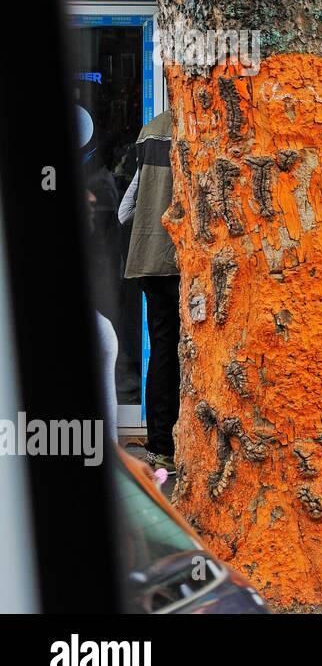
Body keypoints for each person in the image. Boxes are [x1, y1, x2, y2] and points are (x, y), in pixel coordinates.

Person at [119, 110, 180, 473]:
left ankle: (161, 447)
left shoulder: (152, 129)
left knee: (162, 350)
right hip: (180, 260)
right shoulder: (205, 123)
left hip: (148, 257)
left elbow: (126, 209)